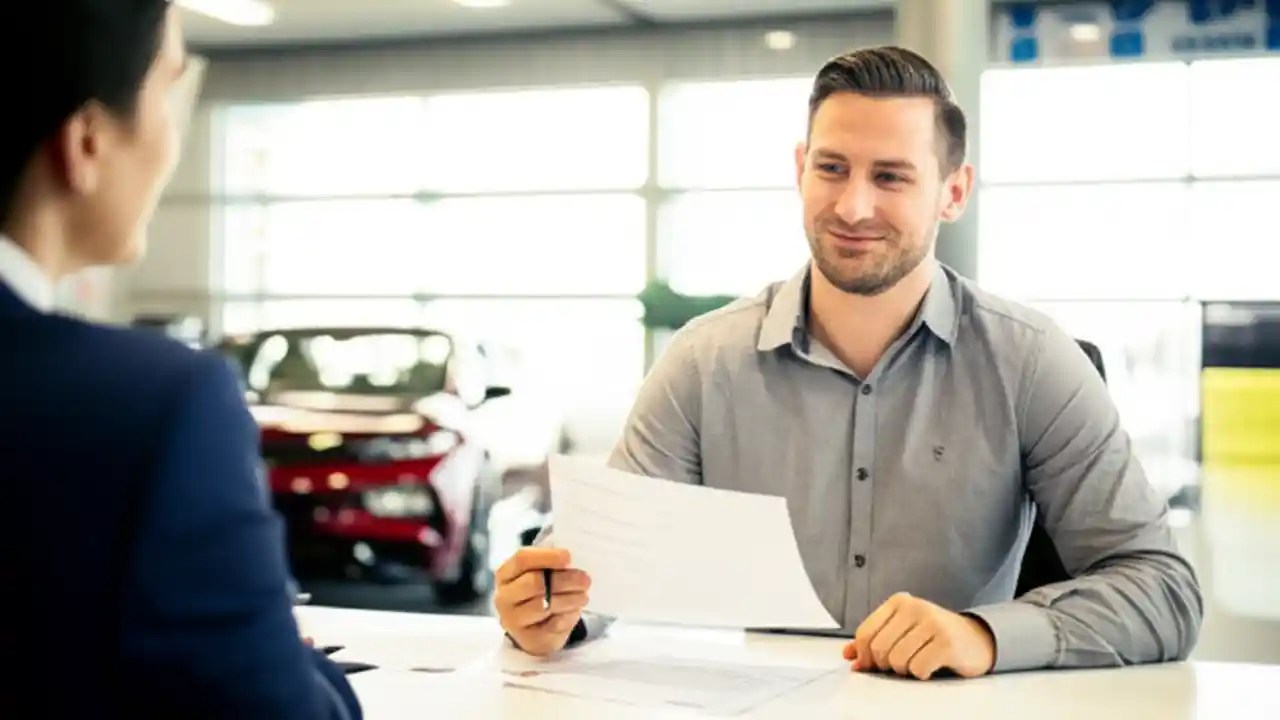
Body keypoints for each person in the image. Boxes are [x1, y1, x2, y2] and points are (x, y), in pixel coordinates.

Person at [494, 46, 1203, 680]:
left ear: (952, 192)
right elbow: (605, 564)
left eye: (891, 177)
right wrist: (553, 607)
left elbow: (1163, 589)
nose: (853, 205)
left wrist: (984, 635)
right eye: (832, 168)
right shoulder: (704, 363)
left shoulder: (1032, 360)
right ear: (801, 169)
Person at [0, 3, 361, 717]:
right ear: (88, 141)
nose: (172, 136)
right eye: (167, 90)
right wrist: (288, 653)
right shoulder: (153, 405)